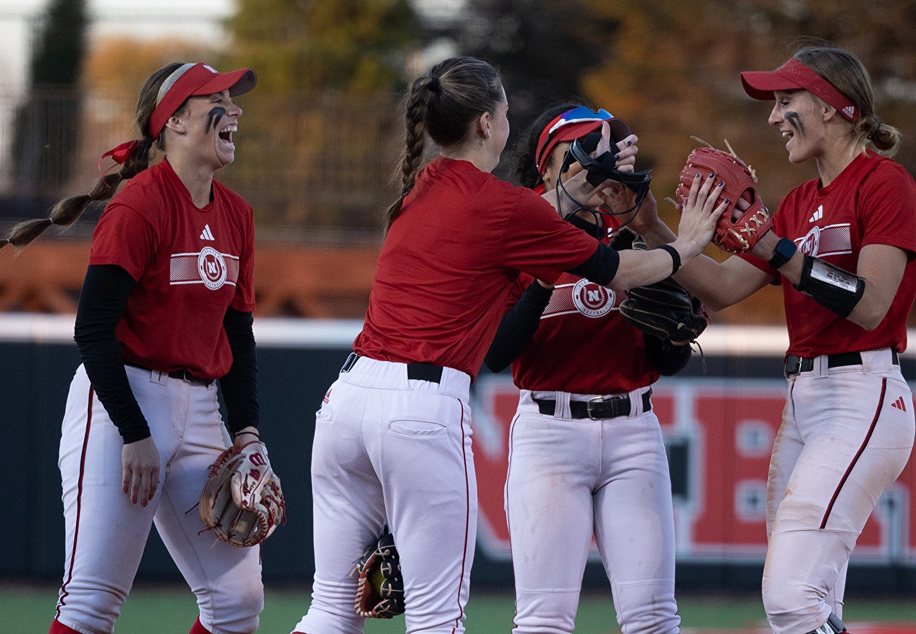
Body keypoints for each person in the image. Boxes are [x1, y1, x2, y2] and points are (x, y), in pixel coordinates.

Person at [291, 57, 724, 634]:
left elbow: (521, 217)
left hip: (347, 400)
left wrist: (581, 187)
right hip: (422, 407)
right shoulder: (506, 207)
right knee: (436, 620)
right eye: (504, 111)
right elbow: (613, 270)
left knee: (330, 611)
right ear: (488, 125)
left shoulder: (425, 186)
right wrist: (687, 245)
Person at [0, 62, 266, 634]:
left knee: (237, 601)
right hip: (124, 400)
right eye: (216, 98)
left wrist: (247, 433)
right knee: (92, 603)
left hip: (201, 413)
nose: (234, 109)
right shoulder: (139, 205)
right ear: (174, 123)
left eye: (232, 98)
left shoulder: (237, 214)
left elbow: (236, 332)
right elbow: (92, 330)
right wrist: (135, 433)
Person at [640, 42, 916, 634]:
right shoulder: (797, 203)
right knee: (812, 605)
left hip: (862, 394)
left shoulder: (884, 184)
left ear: (832, 106)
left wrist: (776, 249)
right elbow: (717, 287)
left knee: (791, 600)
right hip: (805, 403)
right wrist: (653, 226)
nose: (773, 117)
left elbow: (872, 305)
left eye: (786, 99)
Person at [482, 102, 688, 634]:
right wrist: (550, 271)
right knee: (544, 621)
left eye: (605, 151)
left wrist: (674, 315)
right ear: (548, 166)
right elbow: (496, 353)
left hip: (633, 431)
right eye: (581, 153)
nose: (597, 165)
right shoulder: (519, 224)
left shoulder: (631, 231)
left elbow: (670, 359)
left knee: (653, 620)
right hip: (550, 430)